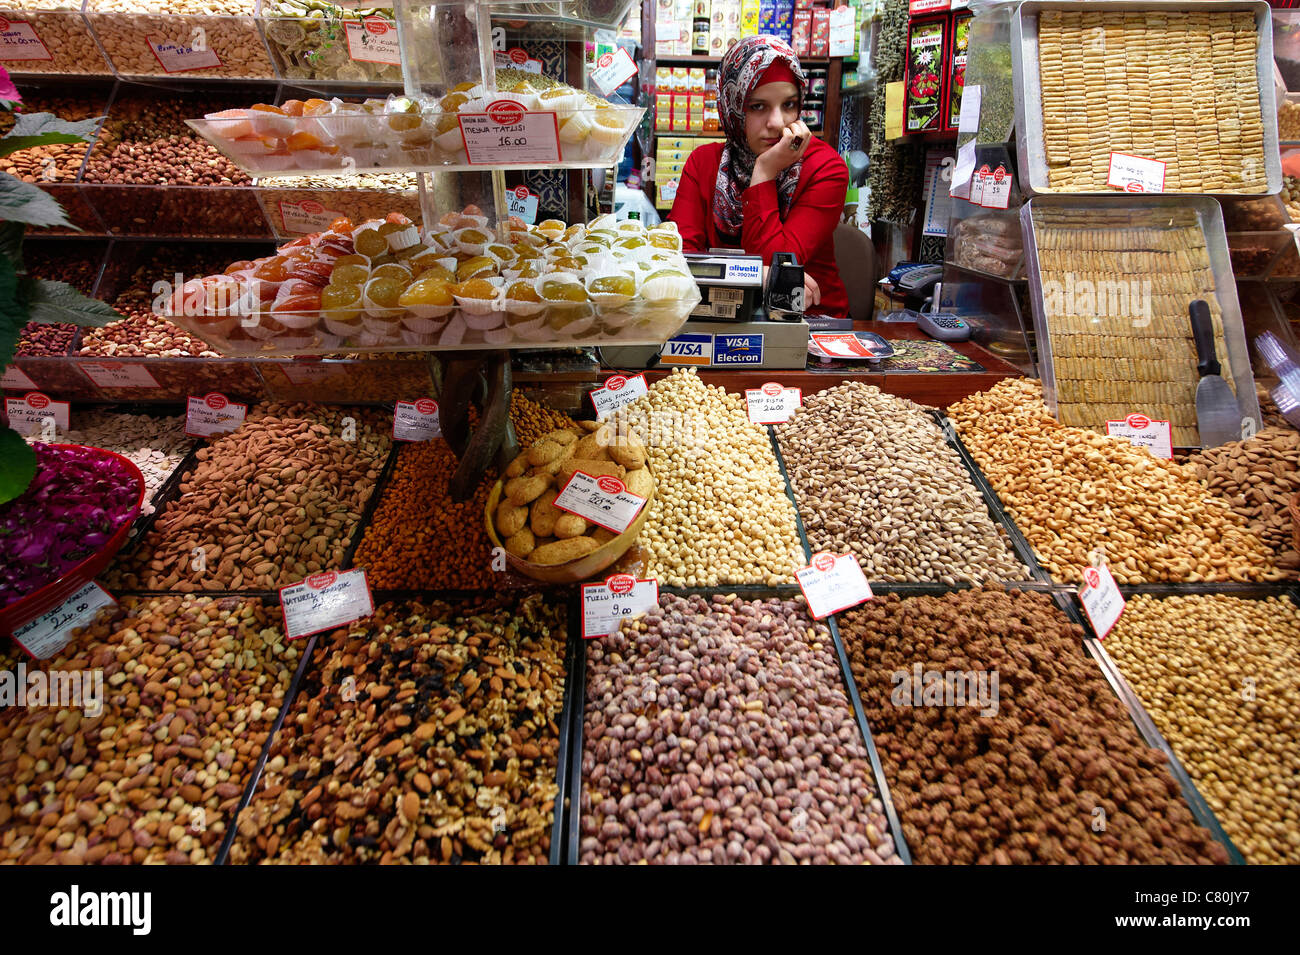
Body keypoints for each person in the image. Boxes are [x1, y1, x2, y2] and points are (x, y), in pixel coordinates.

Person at [668, 34, 850, 318]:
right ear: (733, 107)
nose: (777, 123)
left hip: (811, 325)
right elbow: (676, 262)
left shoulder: (826, 168)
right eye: (758, 106)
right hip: (719, 319)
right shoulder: (703, 163)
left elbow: (778, 264)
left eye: (789, 105)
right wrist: (756, 276)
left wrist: (764, 172)